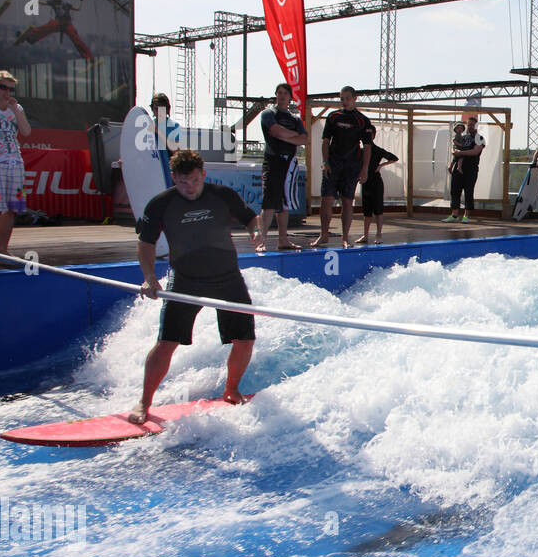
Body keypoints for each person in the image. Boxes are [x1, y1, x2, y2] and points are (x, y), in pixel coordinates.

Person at [129, 150, 264, 424]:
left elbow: (251, 218)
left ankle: (231, 390)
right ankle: (144, 402)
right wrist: (149, 277)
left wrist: (255, 231)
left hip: (227, 277)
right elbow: (146, 243)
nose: (189, 188)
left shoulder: (222, 195)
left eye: (193, 180)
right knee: (167, 343)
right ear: (173, 178)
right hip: (185, 279)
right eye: (182, 182)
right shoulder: (160, 204)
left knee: (244, 339)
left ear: (203, 174)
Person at [311, 86, 374, 248]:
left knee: (347, 201)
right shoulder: (333, 116)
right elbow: (325, 141)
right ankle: (323, 234)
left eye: (347, 98)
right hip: (333, 164)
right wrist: (325, 162)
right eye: (342, 99)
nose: (344, 101)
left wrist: (365, 169)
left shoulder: (362, 120)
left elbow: (367, 146)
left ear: (354, 99)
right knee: (326, 200)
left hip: (351, 166)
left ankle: (345, 237)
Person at [0, 71, 32, 261]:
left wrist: (16, 111)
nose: (7, 92)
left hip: (15, 162)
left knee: (12, 207)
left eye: (10, 89)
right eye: (3, 87)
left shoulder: (16, 107)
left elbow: (26, 132)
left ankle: (3, 249)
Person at [258, 83, 307, 251]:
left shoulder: (295, 119)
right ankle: (262, 241)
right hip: (272, 161)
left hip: (289, 163)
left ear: (290, 97)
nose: (282, 96)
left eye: (285, 93)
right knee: (269, 203)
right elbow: (276, 131)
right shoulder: (268, 113)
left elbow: (303, 139)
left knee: (284, 203)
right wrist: (293, 136)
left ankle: (283, 240)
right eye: (279, 93)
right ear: (276, 95)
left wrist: (285, 136)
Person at [13, 0, 93, 61]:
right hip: (59, 23)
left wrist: (81, 1)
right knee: (46, 28)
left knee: (77, 40)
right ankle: (31, 37)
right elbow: (40, 2)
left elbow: (77, 9)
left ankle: (88, 56)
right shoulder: (54, 2)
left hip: (67, 24)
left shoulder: (66, 4)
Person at [356, 142, 398, 244]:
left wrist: (381, 165)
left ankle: (379, 234)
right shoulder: (362, 151)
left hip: (376, 183)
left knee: (378, 210)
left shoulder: (377, 150)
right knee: (366, 211)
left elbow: (394, 158)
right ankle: (365, 235)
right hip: (365, 182)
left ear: (373, 136)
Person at [446, 116, 485, 223]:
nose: (470, 127)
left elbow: (475, 152)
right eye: (469, 125)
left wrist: (461, 153)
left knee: (468, 191)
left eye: (472, 125)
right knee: (455, 190)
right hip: (458, 168)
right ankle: (454, 215)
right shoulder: (464, 137)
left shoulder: (479, 138)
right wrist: (454, 151)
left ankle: (466, 216)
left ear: (476, 126)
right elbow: (454, 146)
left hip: (471, 169)